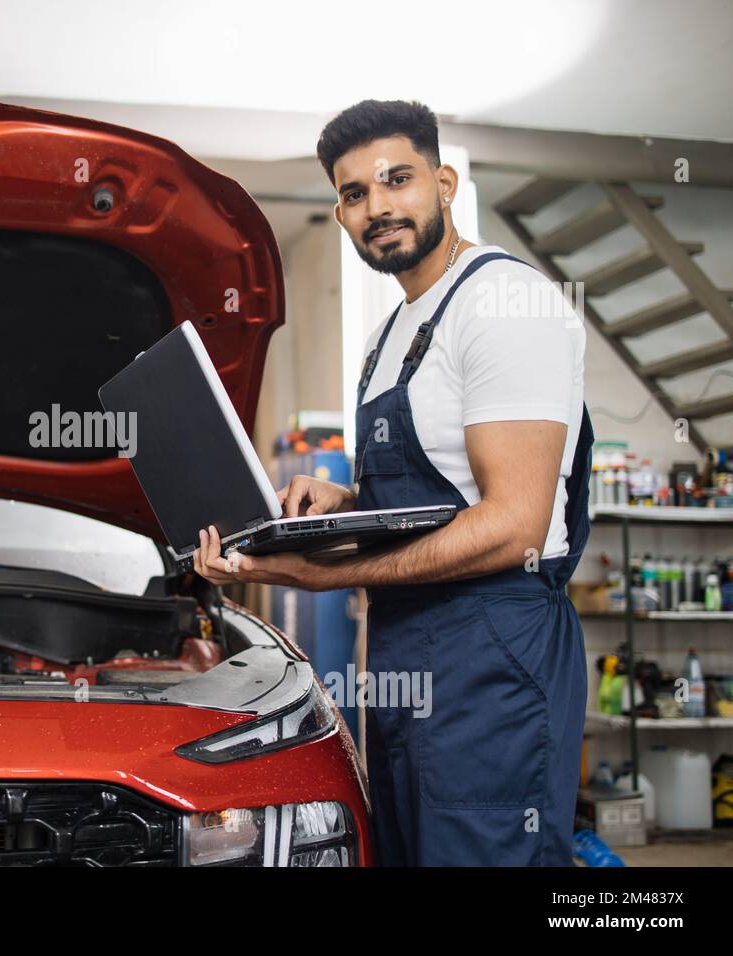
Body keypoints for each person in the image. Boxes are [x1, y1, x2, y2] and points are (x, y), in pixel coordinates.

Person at [193, 99, 592, 866]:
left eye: (396, 180)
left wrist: (321, 573)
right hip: (409, 646)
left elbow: (513, 524)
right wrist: (343, 505)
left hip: (494, 647)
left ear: (443, 183)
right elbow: (439, 494)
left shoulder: (503, 305)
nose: (376, 208)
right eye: (352, 194)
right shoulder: (388, 334)